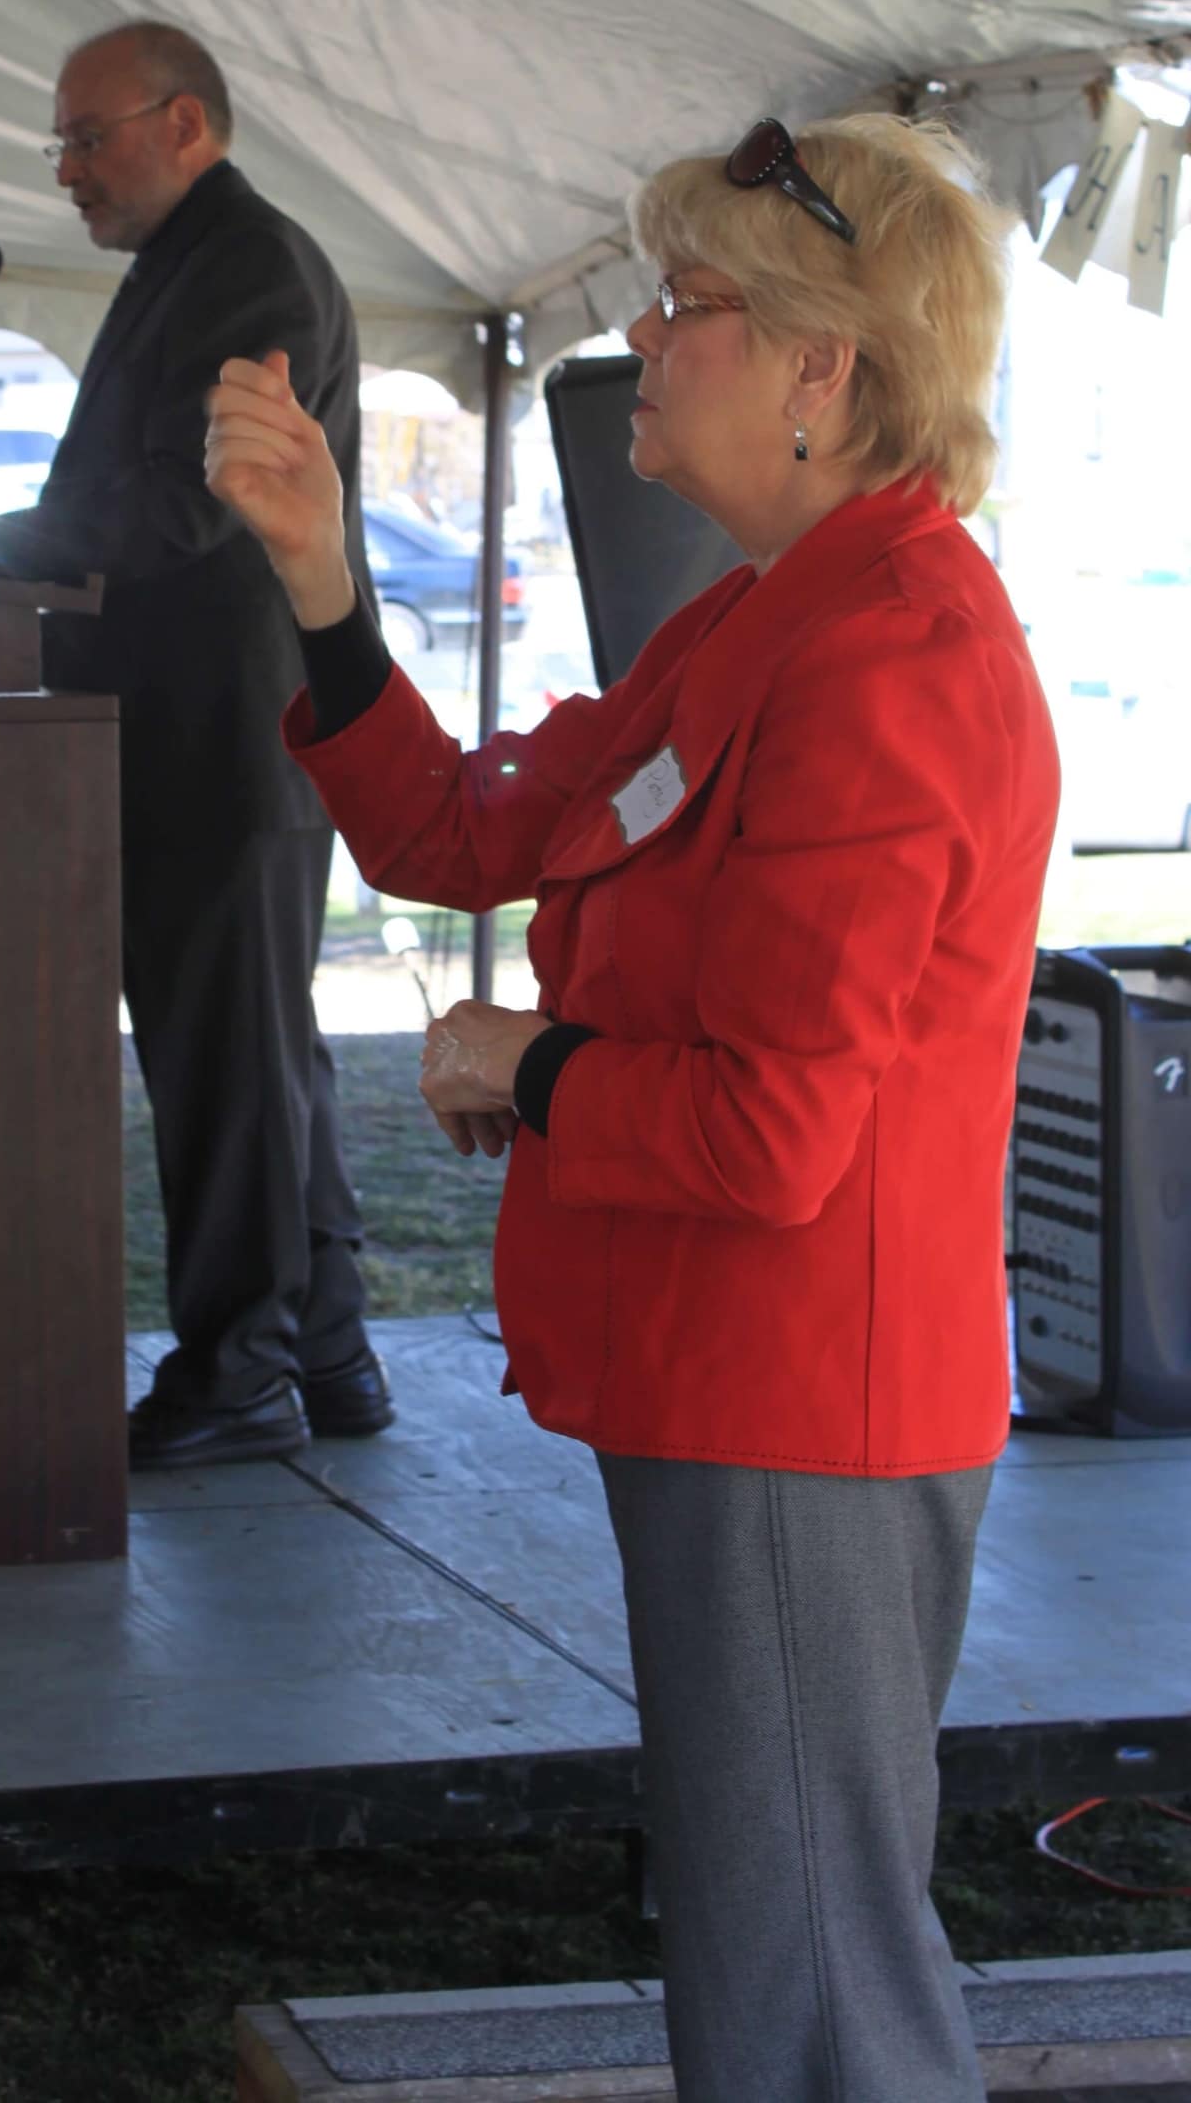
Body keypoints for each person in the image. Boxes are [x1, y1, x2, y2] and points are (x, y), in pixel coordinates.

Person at [204, 111, 1058, 2103]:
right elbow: (468, 823)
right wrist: (326, 585)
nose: (645, 344)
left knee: (816, 1983)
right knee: (772, 1955)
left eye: (689, 308)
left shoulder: (891, 657)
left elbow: (776, 1136)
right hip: (732, 1382)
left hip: (800, 1402)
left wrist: (536, 1062)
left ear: (823, 373)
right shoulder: (761, 618)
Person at [0, 17, 390, 1470]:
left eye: (90, 138)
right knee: (260, 1049)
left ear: (189, 125)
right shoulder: (197, 262)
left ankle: (241, 1369)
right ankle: (324, 1345)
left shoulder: (250, 267)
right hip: (207, 731)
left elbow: (181, 508)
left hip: (234, 730)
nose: (69, 171)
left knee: (227, 1060)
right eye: (61, 145)